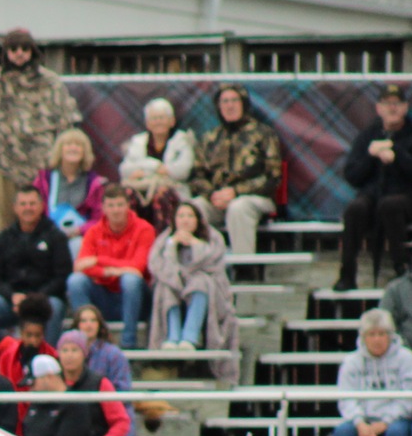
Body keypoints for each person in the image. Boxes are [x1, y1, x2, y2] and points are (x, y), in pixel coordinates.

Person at [0, 29, 81, 228]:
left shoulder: (49, 82)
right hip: (1, 160)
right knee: (3, 220)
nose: (19, 53)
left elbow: (68, 120)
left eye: (24, 48)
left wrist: (61, 156)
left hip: (41, 162)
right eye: (13, 49)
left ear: (33, 51)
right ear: (6, 53)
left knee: (43, 220)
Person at [338, 83, 412, 293]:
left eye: (397, 104)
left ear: (406, 107)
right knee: (355, 209)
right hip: (373, 196)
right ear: (378, 108)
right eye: (387, 104)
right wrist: (371, 157)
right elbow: (352, 175)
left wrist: (397, 156)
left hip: (409, 198)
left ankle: (401, 269)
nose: (392, 109)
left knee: (390, 206)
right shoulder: (368, 135)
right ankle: (347, 274)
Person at [191, 84, 283, 256]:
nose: (229, 105)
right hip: (216, 199)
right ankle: (202, 266)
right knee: (194, 208)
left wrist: (236, 191)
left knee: (238, 208)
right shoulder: (210, 137)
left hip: (255, 199)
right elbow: (197, 176)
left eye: (234, 100)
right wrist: (212, 194)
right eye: (224, 101)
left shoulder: (263, 133)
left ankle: (244, 269)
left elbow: (273, 176)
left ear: (244, 104)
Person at [67, 185, 155, 347]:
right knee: (76, 281)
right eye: (111, 206)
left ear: (128, 206)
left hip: (136, 299)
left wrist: (98, 260)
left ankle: (129, 343)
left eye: (120, 205)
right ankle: (86, 343)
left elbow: (138, 268)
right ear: (103, 208)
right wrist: (114, 270)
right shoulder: (94, 231)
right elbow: (81, 267)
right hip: (103, 297)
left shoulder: (144, 229)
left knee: (130, 280)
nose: (116, 210)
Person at [148, 200, 236, 364]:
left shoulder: (213, 238)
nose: (185, 220)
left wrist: (196, 244)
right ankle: (172, 337)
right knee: (166, 286)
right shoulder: (165, 240)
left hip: (210, 290)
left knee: (200, 282)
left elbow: (212, 266)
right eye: (181, 216)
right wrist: (172, 245)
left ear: (198, 219)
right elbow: (159, 267)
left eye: (190, 216)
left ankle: (190, 337)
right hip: (176, 287)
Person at [329, 309, 412, 436]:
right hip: (361, 420)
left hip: (397, 419)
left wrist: (385, 422)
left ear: (390, 336)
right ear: (363, 337)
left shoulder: (406, 359)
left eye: (381, 334)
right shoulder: (351, 361)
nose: (377, 339)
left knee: (397, 432)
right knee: (343, 432)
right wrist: (359, 423)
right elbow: (346, 398)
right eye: (372, 334)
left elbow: (410, 398)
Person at [21, 333, 128, 436]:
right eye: (64, 350)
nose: (69, 355)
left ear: (84, 353)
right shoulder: (49, 387)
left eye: (75, 350)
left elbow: (121, 421)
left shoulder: (99, 383)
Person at [0, 186, 72, 341]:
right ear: (15, 208)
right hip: (10, 301)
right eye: (23, 204)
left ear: (41, 206)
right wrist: (12, 296)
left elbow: (62, 277)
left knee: (54, 306)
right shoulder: (4, 238)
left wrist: (33, 299)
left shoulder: (56, 236)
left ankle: (49, 357)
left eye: (32, 203)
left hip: (44, 300)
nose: (28, 208)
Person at [119, 96, 197, 234]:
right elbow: (125, 169)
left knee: (162, 194)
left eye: (162, 118)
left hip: (173, 193)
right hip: (142, 190)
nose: (158, 122)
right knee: (127, 195)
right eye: (154, 118)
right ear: (147, 123)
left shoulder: (182, 140)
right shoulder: (138, 141)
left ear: (172, 121)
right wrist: (155, 167)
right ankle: (131, 237)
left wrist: (142, 169)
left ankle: (163, 238)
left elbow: (182, 171)